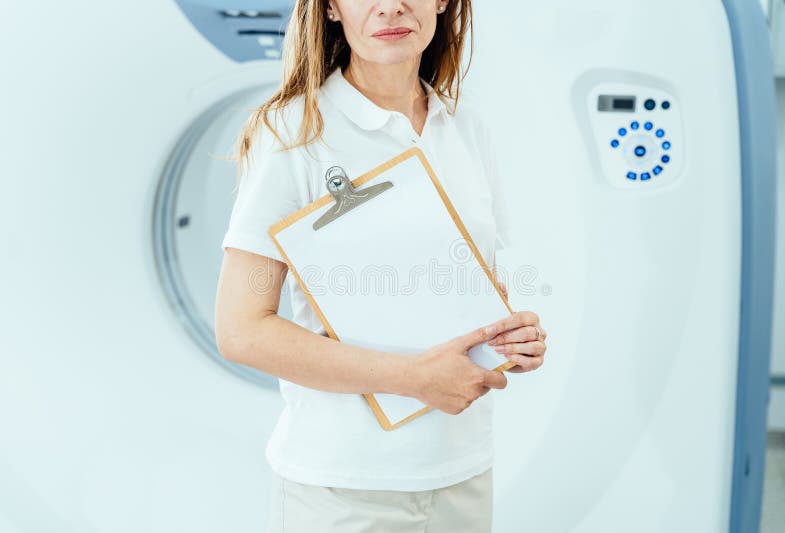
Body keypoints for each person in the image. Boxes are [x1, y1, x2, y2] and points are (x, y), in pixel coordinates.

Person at [214, 1, 548, 531]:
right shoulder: (294, 133)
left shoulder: (466, 126)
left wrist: (515, 338)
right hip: (343, 485)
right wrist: (411, 378)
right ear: (329, 8)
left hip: (462, 472)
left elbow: (473, 290)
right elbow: (241, 331)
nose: (391, 5)